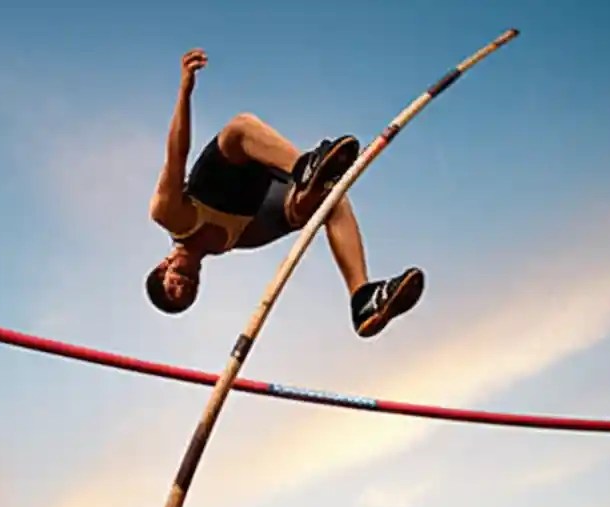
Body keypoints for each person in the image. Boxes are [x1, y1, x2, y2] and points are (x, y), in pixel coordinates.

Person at [145, 48, 424, 338]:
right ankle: (363, 299)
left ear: (163, 265)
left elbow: (176, 154)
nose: (188, 282)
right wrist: (307, 203)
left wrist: (185, 91)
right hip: (260, 194)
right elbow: (287, 217)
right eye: (192, 289)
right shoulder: (235, 241)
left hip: (239, 160)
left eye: (177, 280)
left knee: (238, 129)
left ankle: (305, 169)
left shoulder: (169, 214)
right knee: (333, 200)